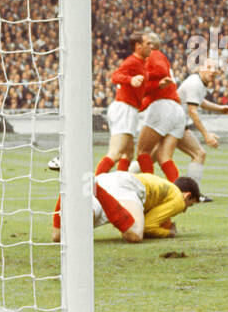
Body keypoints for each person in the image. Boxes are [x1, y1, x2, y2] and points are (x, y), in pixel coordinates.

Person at [52, 172, 200, 243]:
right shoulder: (178, 199)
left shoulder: (164, 187)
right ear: (187, 196)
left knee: (62, 236)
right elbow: (148, 226)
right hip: (126, 186)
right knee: (135, 234)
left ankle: (68, 182)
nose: (184, 210)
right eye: (189, 205)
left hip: (107, 179)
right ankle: (87, 183)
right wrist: (169, 233)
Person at [97, 30, 155, 174]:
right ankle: (94, 185)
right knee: (116, 153)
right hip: (125, 109)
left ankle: (118, 183)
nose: (151, 46)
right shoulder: (132, 61)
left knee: (128, 154)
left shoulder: (141, 63)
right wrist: (130, 80)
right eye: (148, 43)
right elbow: (115, 76)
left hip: (129, 109)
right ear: (138, 46)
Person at [174, 62, 228, 199]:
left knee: (152, 156)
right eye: (209, 67)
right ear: (200, 68)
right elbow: (193, 111)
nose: (212, 71)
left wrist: (220, 108)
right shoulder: (196, 83)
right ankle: (191, 194)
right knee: (199, 154)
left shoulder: (197, 82)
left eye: (215, 68)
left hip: (172, 121)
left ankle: (126, 175)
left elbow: (200, 101)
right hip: (175, 123)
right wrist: (206, 135)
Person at [134, 34, 185, 180]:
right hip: (176, 109)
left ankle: (150, 189)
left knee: (143, 152)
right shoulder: (161, 57)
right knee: (164, 156)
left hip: (163, 106)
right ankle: (178, 191)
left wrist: (143, 76)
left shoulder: (154, 55)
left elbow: (160, 71)